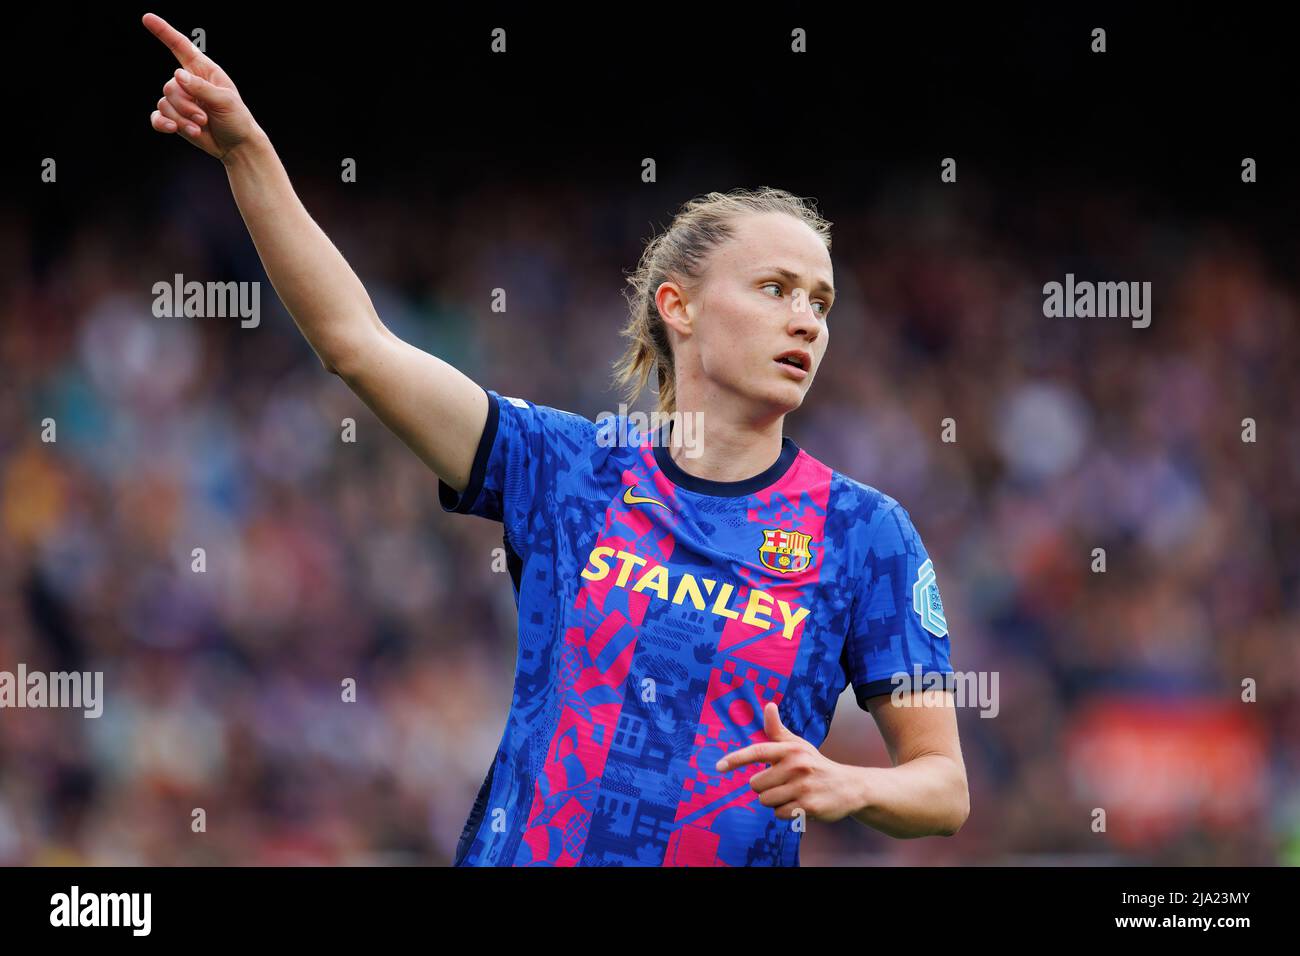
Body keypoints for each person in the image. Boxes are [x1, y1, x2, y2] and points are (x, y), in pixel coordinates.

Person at [142, 12, 969, 866]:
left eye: (821, 302)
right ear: (676, 307)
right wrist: (248, 153)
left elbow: (942, 787)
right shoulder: (568, 468)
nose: (805, 320)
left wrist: (851, 783)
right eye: (775, 288)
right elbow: (356, 343)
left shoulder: (865, 532)